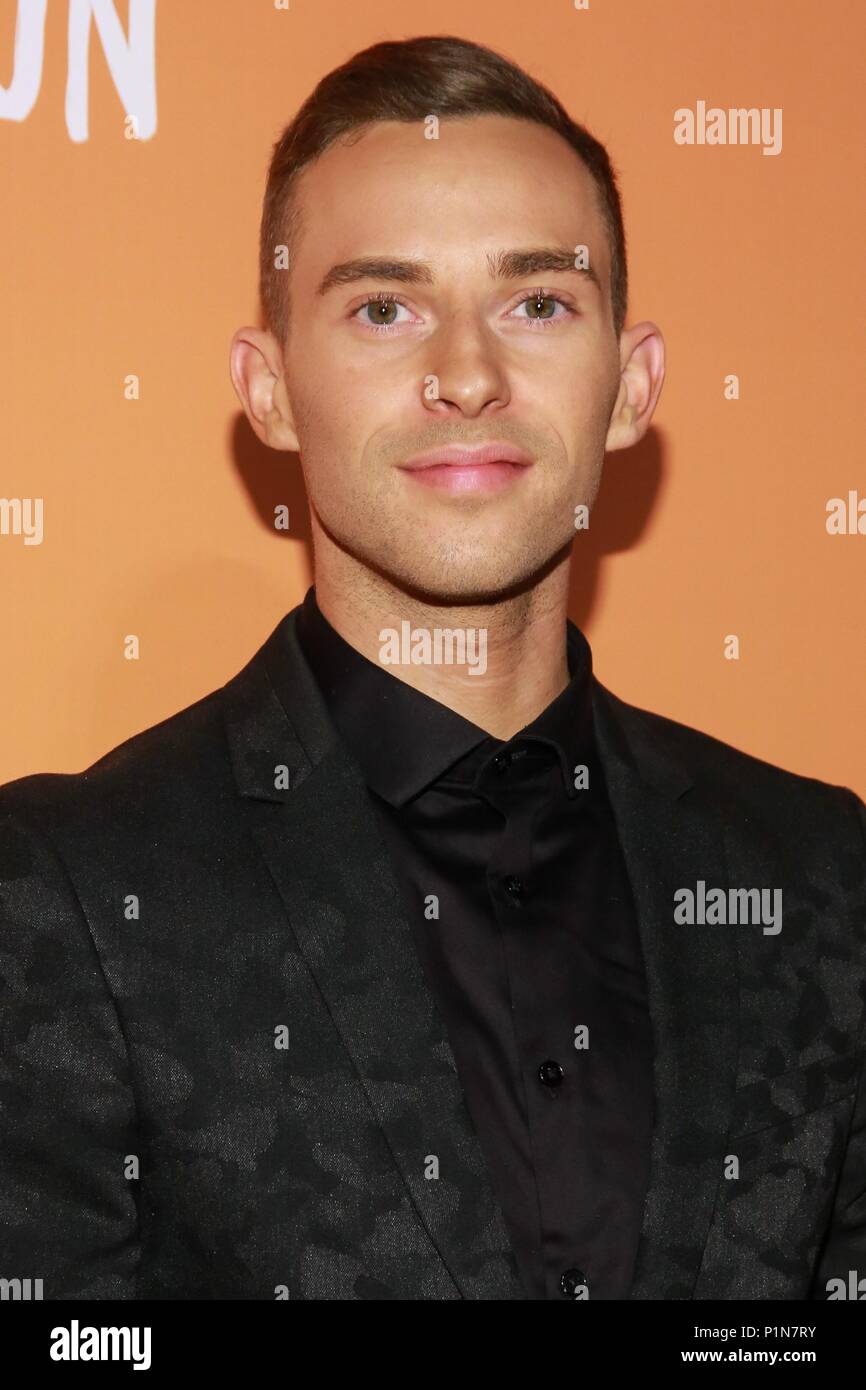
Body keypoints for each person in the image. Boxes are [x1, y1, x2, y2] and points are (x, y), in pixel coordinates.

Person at [1, 35, 863, 1302]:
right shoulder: (65, 893)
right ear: (272, 389)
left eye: (536, 302)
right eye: (383, 308)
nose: (466, 374)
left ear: (630, 387)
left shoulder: (820, 873)